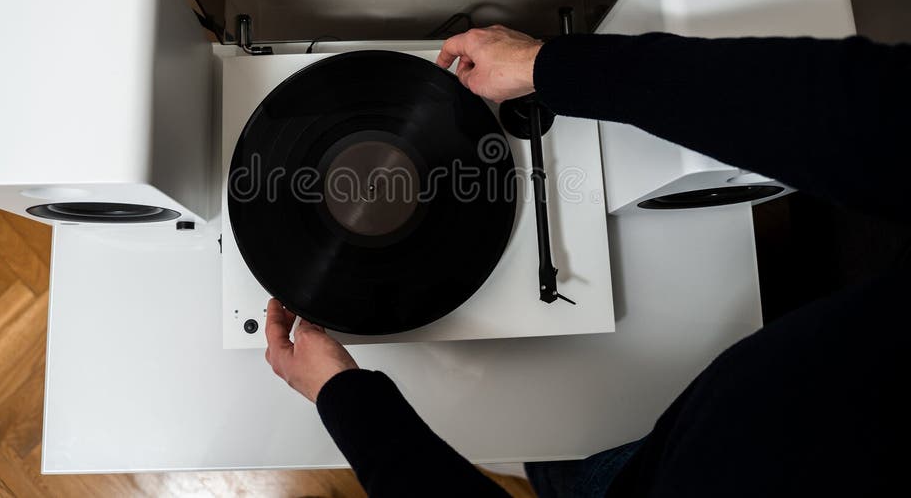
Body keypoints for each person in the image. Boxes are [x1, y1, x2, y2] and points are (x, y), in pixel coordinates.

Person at [265, 26, 908, 497]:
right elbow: (863, 107)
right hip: (680, 441)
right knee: (573, 466)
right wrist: (551, 65)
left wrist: (339, 394)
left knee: (565, 467)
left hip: (690, 453)